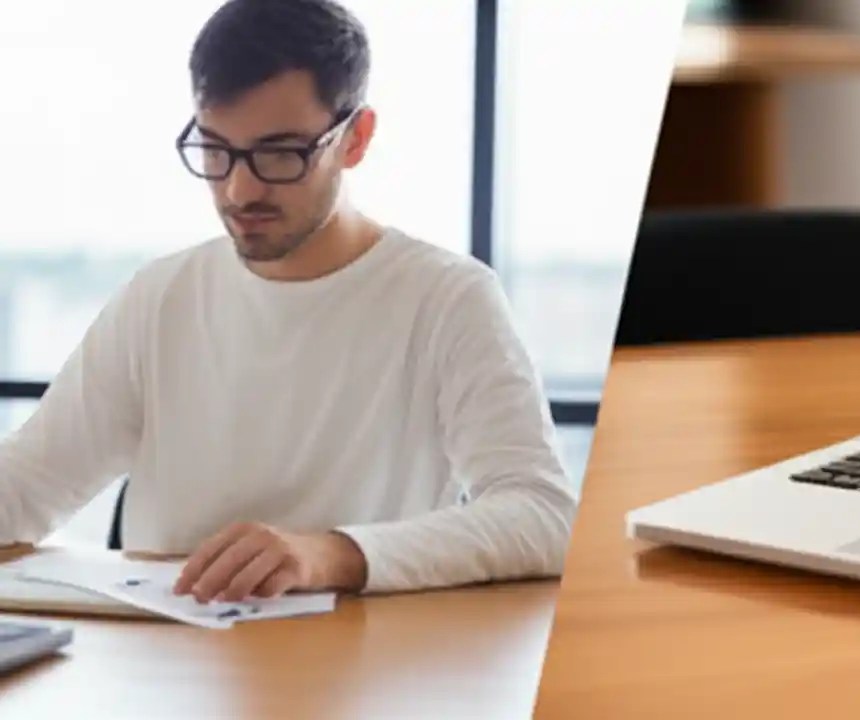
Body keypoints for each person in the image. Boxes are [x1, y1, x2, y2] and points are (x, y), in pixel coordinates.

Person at [0, 0, 577, 603]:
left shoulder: (448, 300)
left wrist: (332, 553)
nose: (239, 188)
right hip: (167, 669)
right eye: (216, 149)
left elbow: (544, 515)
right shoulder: (160, 297)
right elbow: (27, 486)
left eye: (280, 154)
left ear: (356, 139)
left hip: (367, 668)